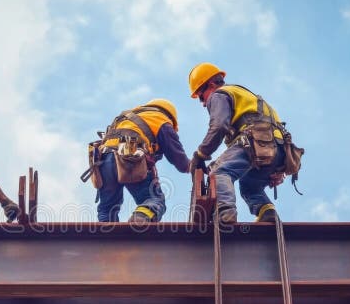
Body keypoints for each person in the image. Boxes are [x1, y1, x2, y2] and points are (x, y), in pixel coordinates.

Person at [187, 63, 286, 223]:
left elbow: (219, 126)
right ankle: (267, 213)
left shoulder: (219, 94)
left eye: (201, 96)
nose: (203, 103)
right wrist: (279, 168)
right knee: (250, 185)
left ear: (210, 85)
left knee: (219, 172)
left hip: (255, 142)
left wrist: (201, 154)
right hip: (278, 150)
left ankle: (225, 213)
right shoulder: (244, 95)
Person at [95, 99, 191, 222]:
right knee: (154, 200)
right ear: (170, 117)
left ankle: (105, 231)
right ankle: (139, 220)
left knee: (107, 207)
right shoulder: (160, 120)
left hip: (103, 159)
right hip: (129, 156)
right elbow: (178, 157)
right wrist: (191, 166)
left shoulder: (126, 118)